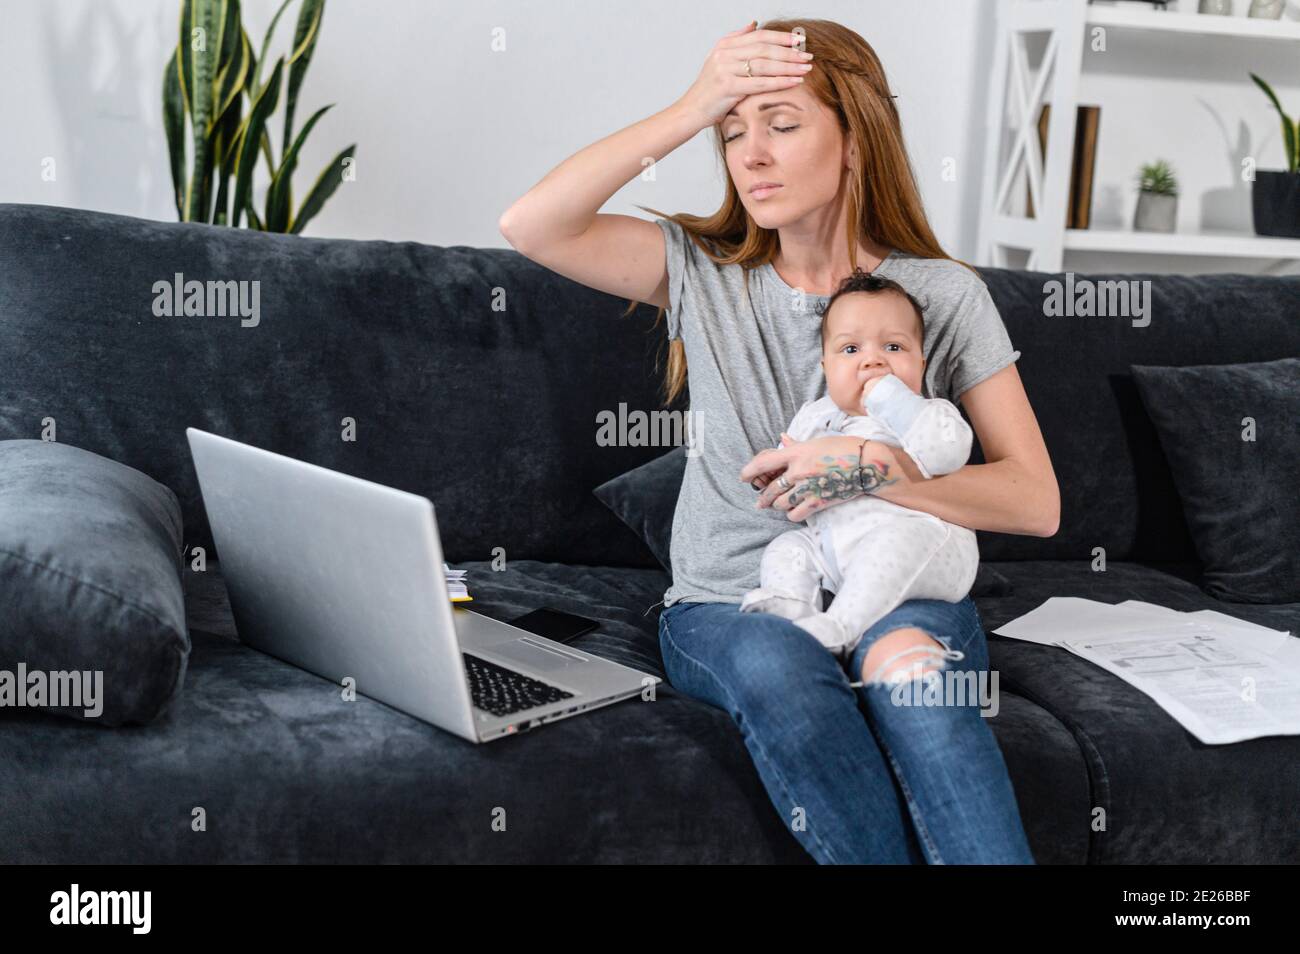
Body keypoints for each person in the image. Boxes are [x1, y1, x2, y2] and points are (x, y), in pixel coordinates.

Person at [499, 17, 1059, 864]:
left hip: (899, 586)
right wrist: (697, 102)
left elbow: (1035, 501)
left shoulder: (941, 295)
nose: (750, 155)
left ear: (854, 143)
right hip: (734, 603)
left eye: (784, 125)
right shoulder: (703, 271)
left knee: (926, 703)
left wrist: (877, 470)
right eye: (733, 133)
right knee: (791, 686)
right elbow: (531, 223)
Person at [739, 271, 981, 664]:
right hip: (837, 552)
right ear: (825, 365)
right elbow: (797, 468)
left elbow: (946, 454)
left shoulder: (928, 413)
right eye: (850, 349)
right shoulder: (815, 418)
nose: (873, 360)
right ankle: (791, 607)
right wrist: (776, 477)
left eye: (893, 346)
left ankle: (839, 628)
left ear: (921, 362)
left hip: (926, 545)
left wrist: (890, 397)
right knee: (787, 547)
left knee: (894, 542)